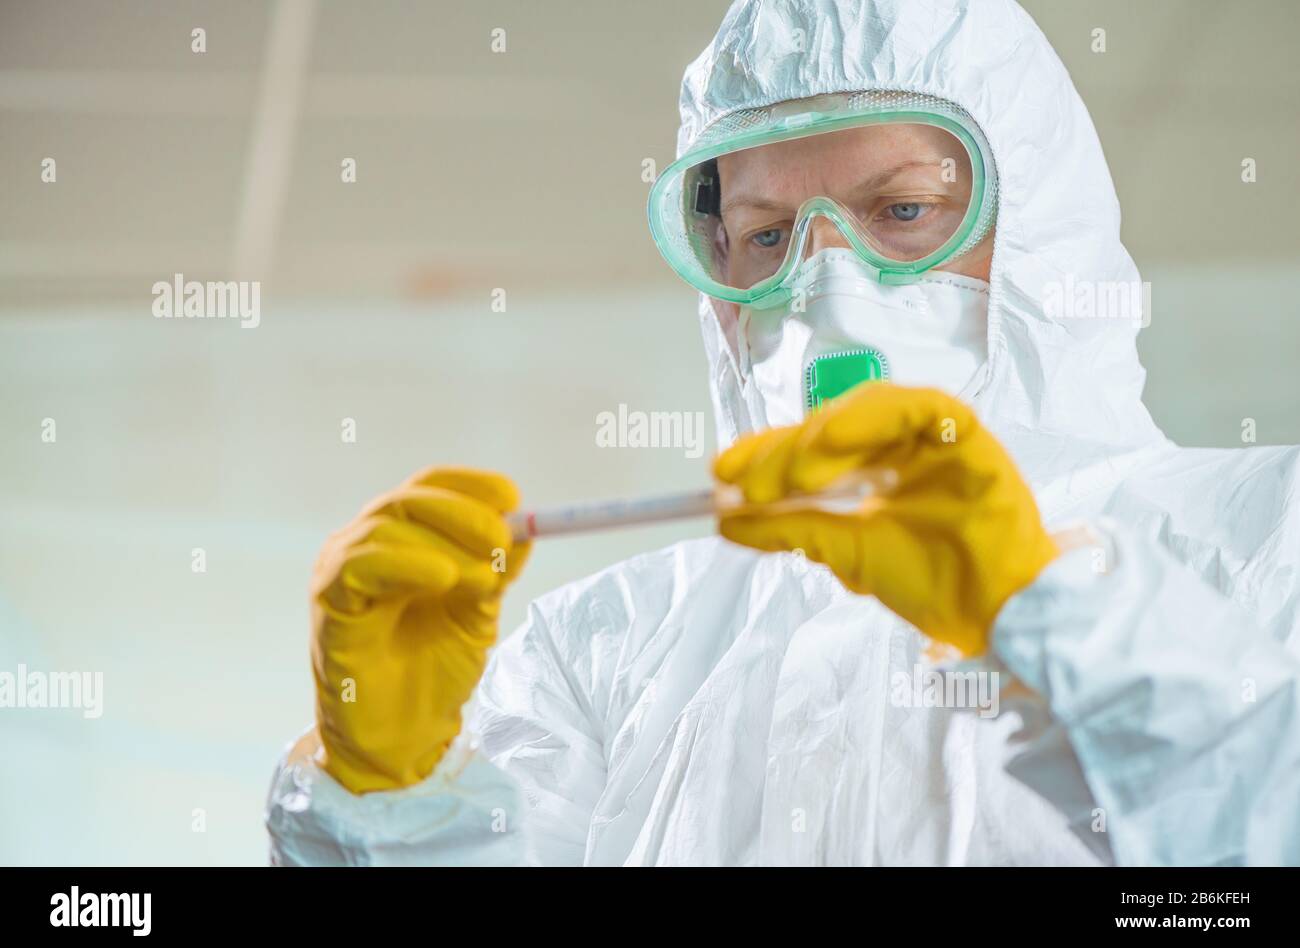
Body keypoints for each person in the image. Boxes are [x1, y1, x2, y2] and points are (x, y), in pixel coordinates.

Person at [266, 0, 1300, 865]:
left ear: (1036, 227)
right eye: (766, 234)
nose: (826, 278)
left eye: (901, 210)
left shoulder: (1263, 537)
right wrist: (386, 797)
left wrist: (1060, 617)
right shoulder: (605, 650)